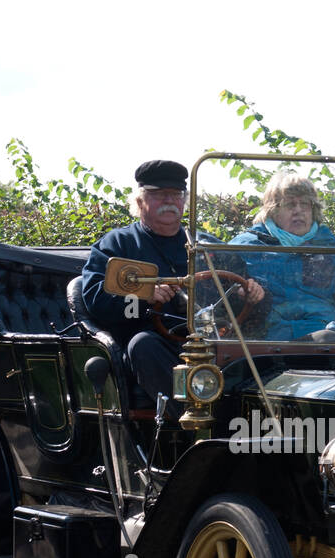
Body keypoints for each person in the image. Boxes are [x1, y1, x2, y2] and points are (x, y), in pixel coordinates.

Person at [79, 159, 263, 403]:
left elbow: (240, 289)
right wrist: (144, 296)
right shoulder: (118, 245)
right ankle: (191, 423)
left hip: (213, 342)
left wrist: (251, 294)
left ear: (184, 201)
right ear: (139, 201)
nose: (169, 201)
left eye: (175, 194)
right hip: (159, 346)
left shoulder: (207, 246)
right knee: (142, 344)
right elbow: (96, 301)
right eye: (158, 194)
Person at [229, 169, 335, 342]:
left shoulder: (332, 249)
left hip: (328, 338)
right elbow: (218, 296)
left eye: (305, 204)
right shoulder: (244, 247)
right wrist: (241, 295)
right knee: (326, 340)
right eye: (290, 204)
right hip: (266, 341)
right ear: (273, 211)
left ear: (313, 210)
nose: (298, 211)